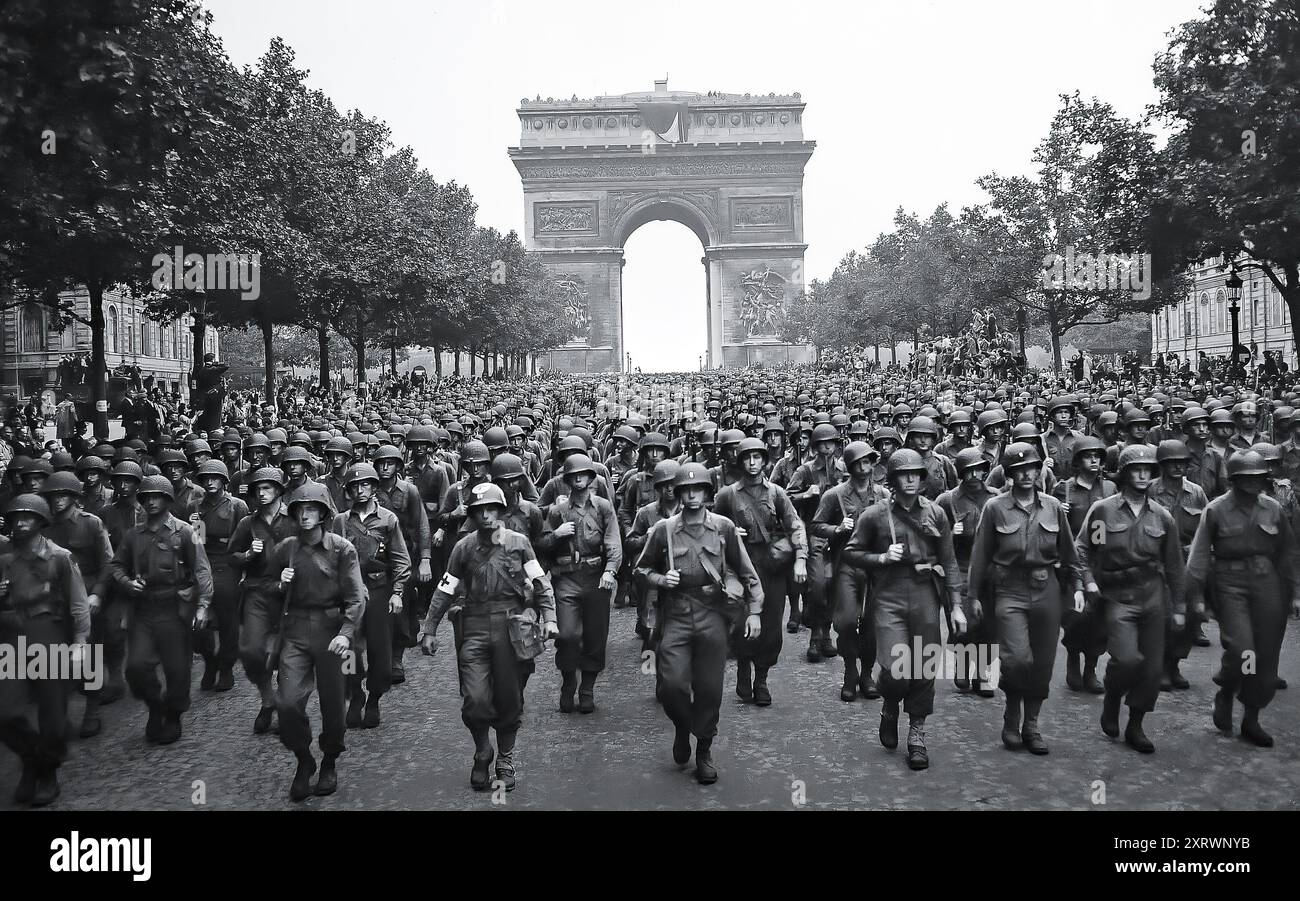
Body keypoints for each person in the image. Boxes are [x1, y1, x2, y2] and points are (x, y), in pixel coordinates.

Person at [417, 483, 557, 791]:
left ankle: (505, 759)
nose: (486, 516)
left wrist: (549, 618)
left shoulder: (519, 542)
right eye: (479, 511)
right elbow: (445, 589)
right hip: (475, 626)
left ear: (502, 511)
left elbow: (540, 582)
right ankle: (483, 748)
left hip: (512, 626)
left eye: (492, 509)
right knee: (474, 699)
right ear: (472, 515)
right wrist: (429, 629)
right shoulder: (463, 547)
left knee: (510, 697)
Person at [635, 462, 764, 784]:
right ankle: (682, 725)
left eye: (699, 490)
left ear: (708, 493)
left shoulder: (723, 528)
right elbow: (640, 569)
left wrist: (756, 611)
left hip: (712, 615)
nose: (692, 496)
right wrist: (661, 579)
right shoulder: (664, 529)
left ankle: (703, 748)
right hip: (676, 614)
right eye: (686, 490)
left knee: (709, 688)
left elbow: (746, 572)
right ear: (678, 494)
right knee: (671, 686)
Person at [967, 442, 1085, 755]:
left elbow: (1070, 553)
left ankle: (1031, 724)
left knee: (1043, 662)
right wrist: (973, 596)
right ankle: (1012, 713)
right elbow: (980, 555)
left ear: (1038, 471)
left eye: (1030, 468)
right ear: (1008, 474)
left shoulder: (1052, 507)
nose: (1026, 475)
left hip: (1047, 590)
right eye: (1018, 470)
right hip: (1009, 590)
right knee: (1017, 658)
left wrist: (1079, 586)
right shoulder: (995, 508)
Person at [1075, 446, 1186, 753]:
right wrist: (1089, 581)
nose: (1142, 474)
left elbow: (1175, 566)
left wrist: (1179, 607)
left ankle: (1135, 724)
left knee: (1151, 669)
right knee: (1126, 659)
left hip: (1151, 595)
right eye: (1136, 469)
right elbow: (1085, 549)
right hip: (1117, 596)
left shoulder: (1162, 517)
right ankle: (1112, 698)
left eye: (1148, 470)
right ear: (1123, 473)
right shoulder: (1104, 510)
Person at [1185, 451, 1300, 747]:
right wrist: (1195, 596)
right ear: (1234, 480)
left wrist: (1295, 593)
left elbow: (1288, 553)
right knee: (1241, 649)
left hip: (1267, 583)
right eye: (1246, 478)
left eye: (1258, 478)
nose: (1253, 483)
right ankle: (1226, 690)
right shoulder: (1216, 509)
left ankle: (1251, 717)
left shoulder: (1273, 508)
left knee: (1266, 656)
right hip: (1229, 581)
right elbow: (1198, 556)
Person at [270, 482, 367, 800]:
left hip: (331, 632)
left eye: (312, 509)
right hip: (295, 631)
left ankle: (329, 760)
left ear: (324, 513)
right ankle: (303, 759)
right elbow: (266, 593)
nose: (305, 514)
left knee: (333, 708)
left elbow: (355, 597)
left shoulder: (342, 549)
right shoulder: (286, 548)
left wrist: (346, 633)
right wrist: (279, 584)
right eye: (300, 509)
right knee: (286, 702)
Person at [0, 494, 91, 806]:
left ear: (41, 521)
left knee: (53, 717)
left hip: (48, 636)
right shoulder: (4, 559)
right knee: (6, 712)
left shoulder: (59, 557)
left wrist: (80, 645)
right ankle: (32, 758)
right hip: (10, 639)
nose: (21, 523)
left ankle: (48, 770)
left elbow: (79, 604)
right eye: (15, 518)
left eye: (28, 517)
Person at [109, 474, 214, 745]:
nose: (152, 501)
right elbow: (117, 565)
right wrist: (127, 583)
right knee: (135, 668)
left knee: (177, 669)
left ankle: (174, 713)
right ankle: (155, 705)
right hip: (144, 609)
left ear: (168, 500)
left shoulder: (186, 532)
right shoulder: (134, 535)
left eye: (158, 496)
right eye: (147, 497)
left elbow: (202, 570)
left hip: (174, 608)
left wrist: (202, 606)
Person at [713, 437, 809, 706]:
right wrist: (729, 532)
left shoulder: (777, 493)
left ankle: (762, 678)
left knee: (770, 625)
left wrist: (800, 559)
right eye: (747, 458)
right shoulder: (727, 494)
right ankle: (744, 667)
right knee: (742, 620)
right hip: (740, 565)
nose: (753, 463)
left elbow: (795, 526)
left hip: (770, 566)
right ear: (740, 461)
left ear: (765, 460)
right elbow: (710, 528)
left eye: (758, 457)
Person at [538, 453, 621, 713]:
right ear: (567, 480)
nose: (578, 480)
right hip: (567, 580)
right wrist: (556, 536)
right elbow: (540, 545)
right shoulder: (557, 511)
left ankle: (587, 688)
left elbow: (613, 541)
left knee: (596, 636)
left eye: (583, 475)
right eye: (573, 476)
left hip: (596, 579)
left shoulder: (603, 508)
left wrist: (611, 570)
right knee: (569, 634)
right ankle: (568, 682)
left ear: (591, 478)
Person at [332, 462, 411, 729]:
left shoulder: (388, 519)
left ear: (374, 487)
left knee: (380, 652)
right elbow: (332, 558)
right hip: (351, 592)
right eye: (354, 486)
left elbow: (400, 559)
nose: (360, 490)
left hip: (379, 589)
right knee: (348, 650)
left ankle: (374, 698)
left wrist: (397, 592)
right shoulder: (341, 521)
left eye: (365, 484)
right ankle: (355, 694)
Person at [39, 472, 114, 738]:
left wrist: (98, 594)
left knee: (89, 655)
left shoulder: (91, 523)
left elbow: (108, 562)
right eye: (53, 496)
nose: (58, 501)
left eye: (63, 495)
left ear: (73, 497)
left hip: (87, 596)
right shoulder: (44, 525)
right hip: (54, 597)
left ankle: (92, 708)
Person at [821, 441, 890, 701]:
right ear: (848, 468)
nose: (863, 468)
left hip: (876, 566)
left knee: (873, 625)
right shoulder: (835, 495)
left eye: (867, 462)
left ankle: (866, 674)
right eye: (857, 464)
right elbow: (817, 525)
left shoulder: (884, 495)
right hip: (847, 564)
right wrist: (836, 528)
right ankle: (850, 670)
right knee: (847, 621)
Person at [1051, 436, 1115, 693]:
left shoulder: (1110, 489)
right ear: (1077, 461)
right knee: (1076, 615)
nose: (1094, 461)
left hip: (1103, 560)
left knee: (1099, 620)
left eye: (1098, 457)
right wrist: (1060, 513)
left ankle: (1091, 668)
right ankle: (1072, 658)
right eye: (1088, 457)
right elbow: (1051, 527)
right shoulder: (1064, 489)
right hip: (1073, 561)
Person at [937, 447, 999, 697]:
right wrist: (952, 533)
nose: (975, 475)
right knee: (964, 622)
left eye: (979, 470)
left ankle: (982, 672)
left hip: (990, 569)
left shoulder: (996, 498)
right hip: (959, 567)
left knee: (990, 624)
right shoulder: (947, 500)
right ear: (961, 474)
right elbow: (932, 535)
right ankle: (962, 664)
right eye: (969, 471)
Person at [1148, 440, 1209, 690]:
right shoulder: (1149, 490)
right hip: (1157, 561)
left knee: (1191, 615)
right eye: (1171, 463)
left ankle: (1175, 663)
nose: (1177, 467)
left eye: (1182, 463)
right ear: (1161, 465)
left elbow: (1207, 527)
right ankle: (1161, 665)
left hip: (1188, 561)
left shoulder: (1196, 492)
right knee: (1163, 616)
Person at [186, 460, 250, 693]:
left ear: (224, 480)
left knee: (227, 619)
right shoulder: (195, 506)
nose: (210, 482)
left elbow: (244, 538)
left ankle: (226, 666)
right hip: (202, 561)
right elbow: (194, 540)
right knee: (196, 619)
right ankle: (210, 659)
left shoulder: (237, 506)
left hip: (228, 562)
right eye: (206, 478)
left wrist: (243, 566)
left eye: (215, 478)